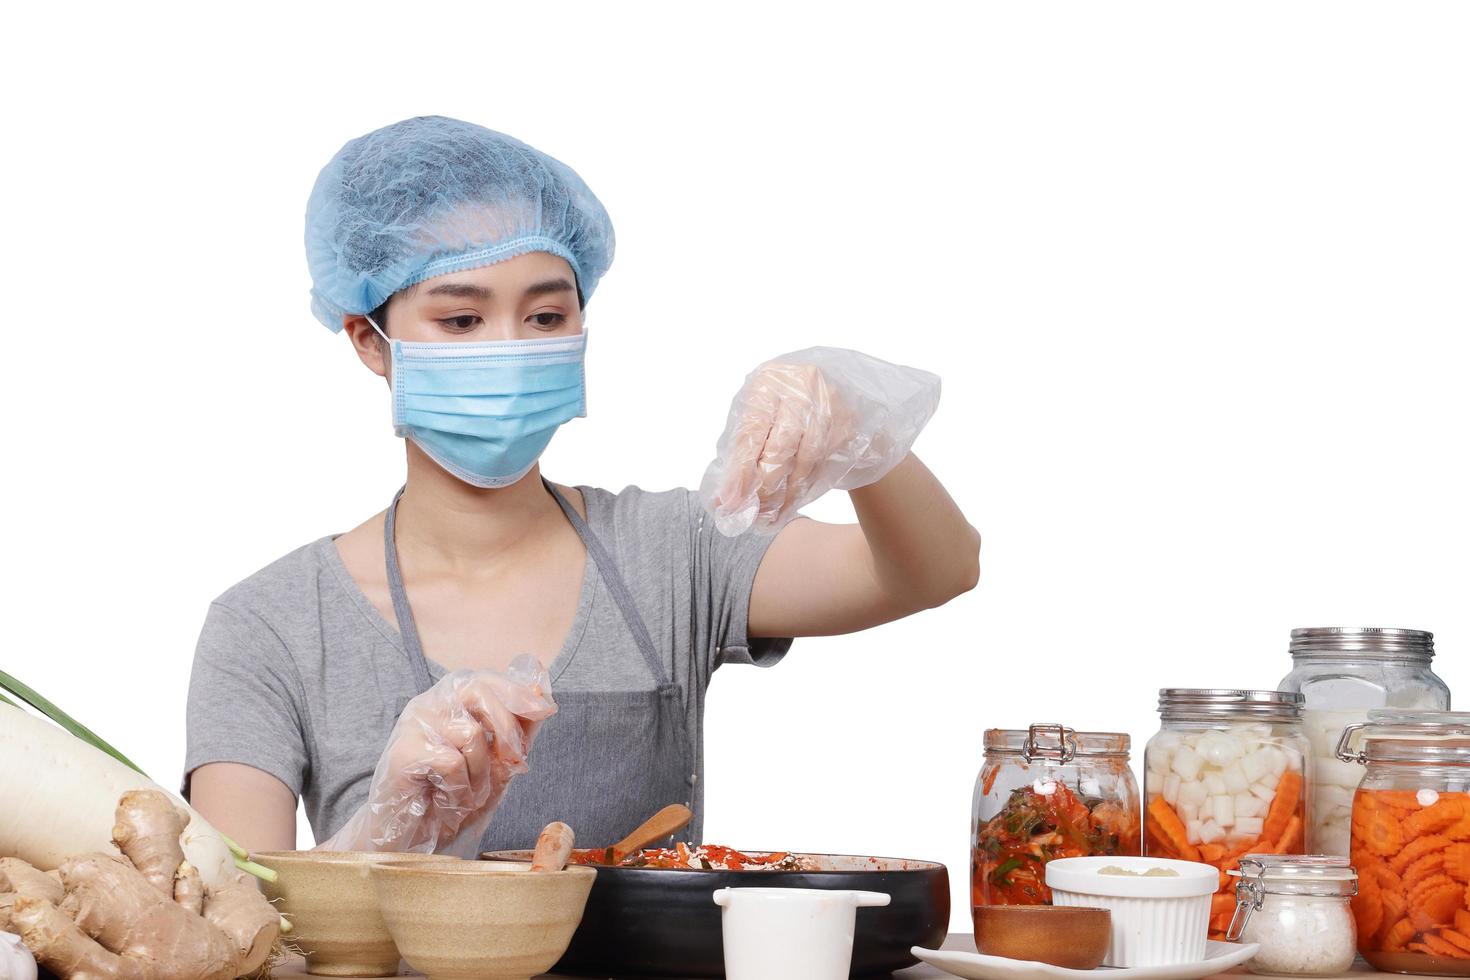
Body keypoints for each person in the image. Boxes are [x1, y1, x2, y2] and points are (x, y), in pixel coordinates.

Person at [183, 116, 980, 856]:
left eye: (545, 317)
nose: (510, 348)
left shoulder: (675, 552)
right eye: (461, 321)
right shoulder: (272, 626)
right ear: (369, 340)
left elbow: (934, 571)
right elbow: (241, 928)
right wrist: (379, 836)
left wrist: (862, 432)